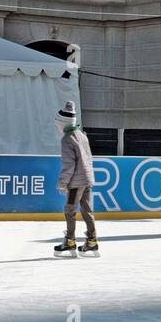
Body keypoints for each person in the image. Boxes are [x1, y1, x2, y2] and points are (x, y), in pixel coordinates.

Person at [54, 101, 98, 256]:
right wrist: (89, 177)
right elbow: (89, 158)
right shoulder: (82, 135)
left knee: (70, 210)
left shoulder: (67, 139)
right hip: (87, 180)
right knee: (87, 210)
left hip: (76, 183)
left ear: (62, 123)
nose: (57, 126)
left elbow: (69, 165)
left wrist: (62, 183)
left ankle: (70, 241)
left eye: (57, 123)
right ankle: (92, 241)